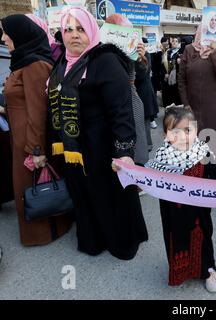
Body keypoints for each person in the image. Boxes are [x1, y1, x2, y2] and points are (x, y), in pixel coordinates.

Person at [47, 7, 148, 259]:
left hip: (103, 149)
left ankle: (121, 242)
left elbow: (121, 111)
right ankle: (93, 239)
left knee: (109, 197)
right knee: (85, 195)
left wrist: (124, 152)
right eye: (68, 30)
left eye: (80, 29)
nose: (74, 35)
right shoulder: (63, 62)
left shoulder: (105, 60)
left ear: (91, 30)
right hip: (76, 149)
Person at [144, 106, 216, 292]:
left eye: (188, 130)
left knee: (203, 241)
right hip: (174, 217)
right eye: (175, 131)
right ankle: (180, 272)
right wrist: (125, 171)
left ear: (196, 130)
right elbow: (143, 179)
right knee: (177, 242)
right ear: (166, 134)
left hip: (199, 216)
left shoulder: (201, 155)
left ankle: (209, 270)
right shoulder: (160, 160)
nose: (183, 137)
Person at [1, 14, 72, 245]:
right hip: (20, 138)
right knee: (30, 187)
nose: (3, 38)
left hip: (30, 142)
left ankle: (47, 231)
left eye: (6, 33)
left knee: (38, 187)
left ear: (20, 36)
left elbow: (38, 112)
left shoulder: (34, 65)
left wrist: (36, 149)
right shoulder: (23, 61)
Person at [178, 25, 216, 162]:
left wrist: (214, 54)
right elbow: (182, 79)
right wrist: (185, 103)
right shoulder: (189, 50)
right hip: (193, 108)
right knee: (195, 146)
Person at [105, 14, 149, 165]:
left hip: (132, 101)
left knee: (136, 151)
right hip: (109, 103)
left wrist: (141, 59)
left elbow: (142, 77)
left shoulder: (133, 51)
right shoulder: (100, 52)